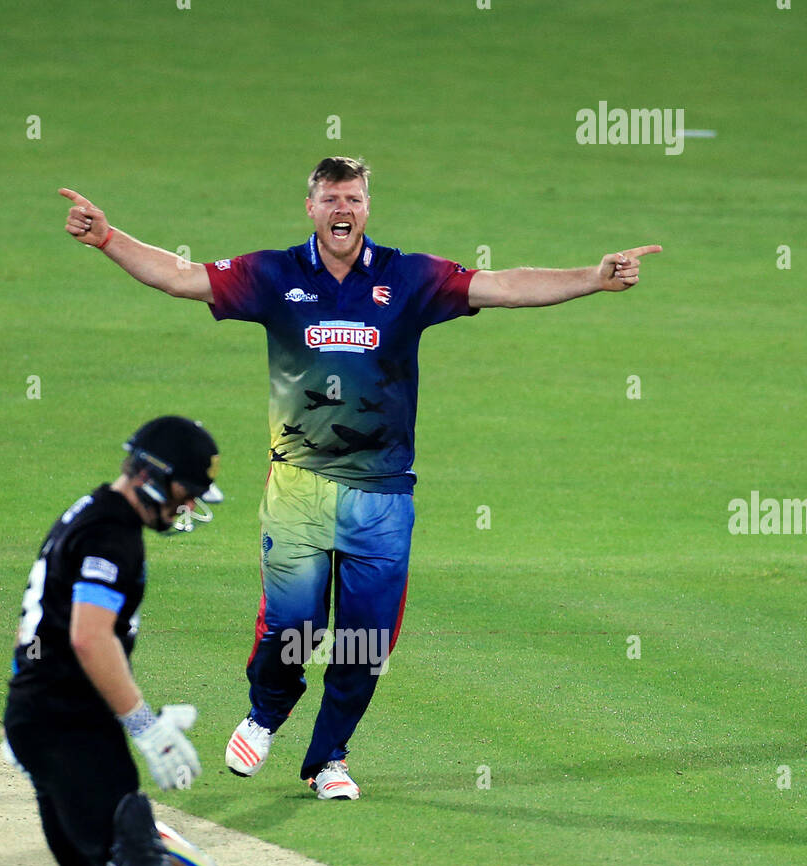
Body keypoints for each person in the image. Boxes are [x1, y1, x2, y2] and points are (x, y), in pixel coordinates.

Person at [58, 158, 660, 801]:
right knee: (294, 627)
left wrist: (593, 278)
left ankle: (328, 760)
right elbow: (181, 277)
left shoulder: (407, 277)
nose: (342, 209)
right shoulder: (272, 274)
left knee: (367, 639)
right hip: (298, 486)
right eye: (329, 199)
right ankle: (266, 713)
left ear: (367, 207)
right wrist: (108, 238)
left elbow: (504, 285)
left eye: (353, 198)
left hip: (383, 493)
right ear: (311, 208)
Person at [0, 417, 226, 866]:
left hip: (50, 716)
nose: (188, 504)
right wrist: (143, 724)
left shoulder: (93, 512)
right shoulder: (112, 531)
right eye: (184, 489)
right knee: (132, 857)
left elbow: (61, 630)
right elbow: (88, 637)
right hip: (66, 723)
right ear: (147, 473)